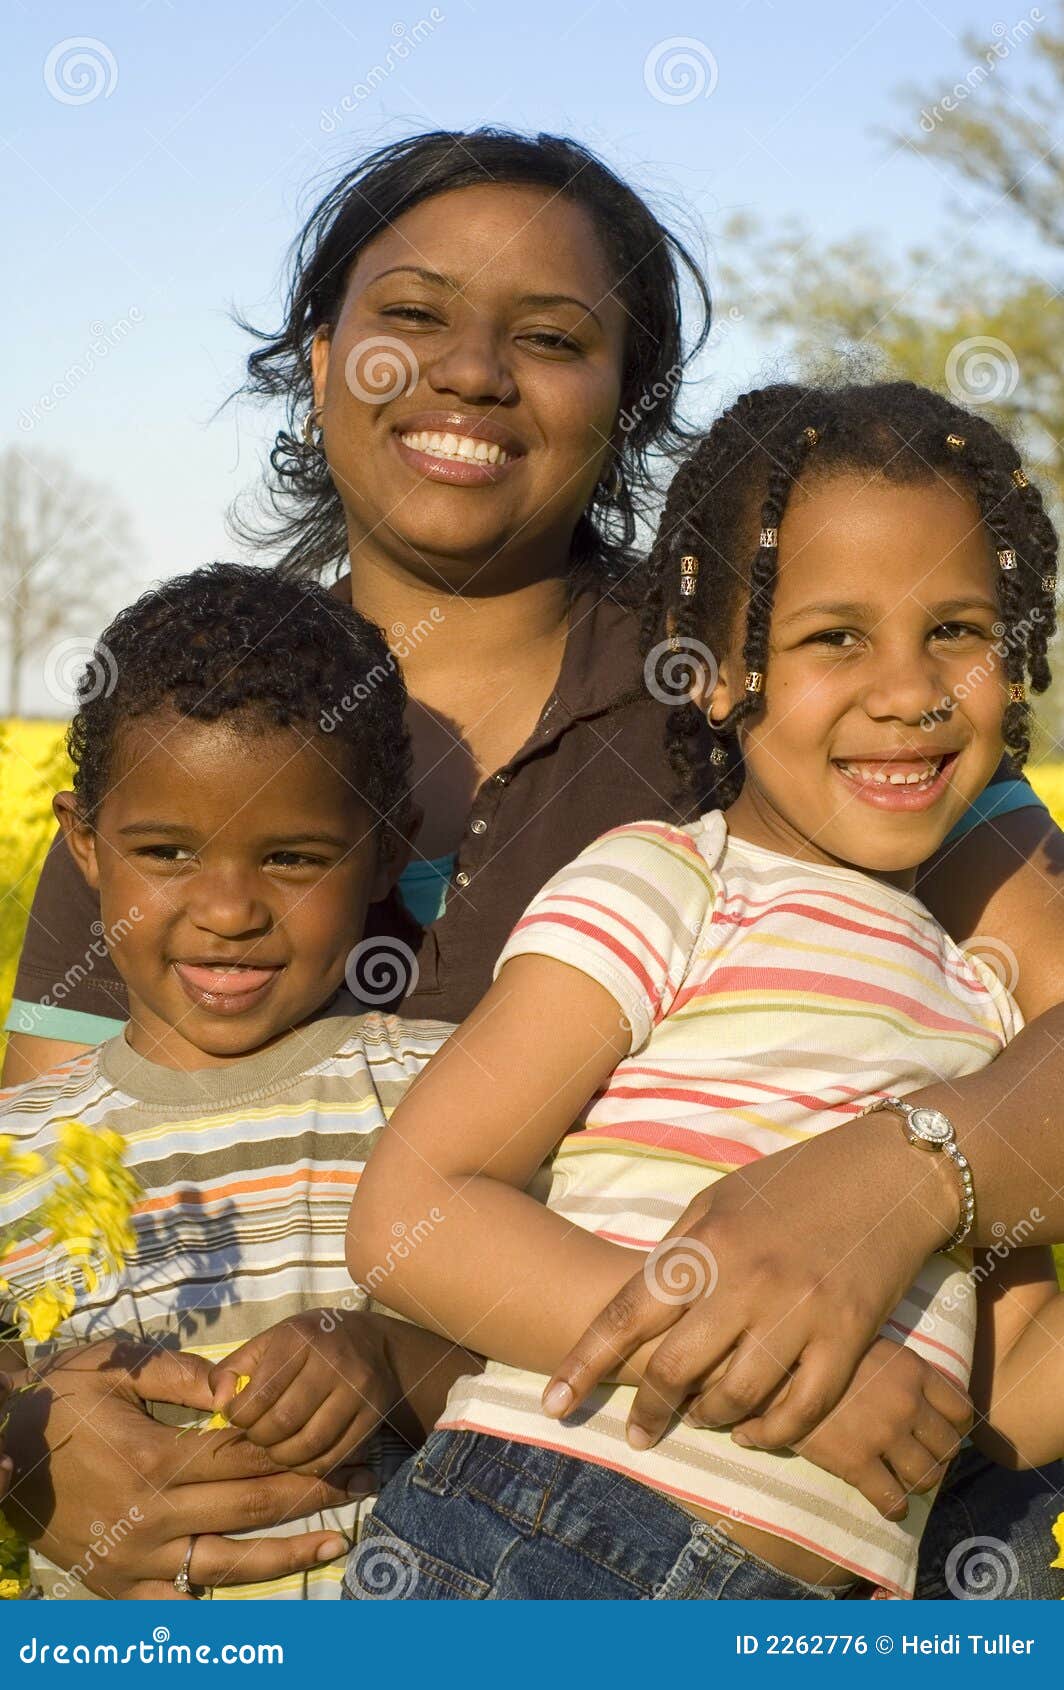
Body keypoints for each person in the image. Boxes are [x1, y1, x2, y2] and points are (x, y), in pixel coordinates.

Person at [2, 129, 1059, 1591]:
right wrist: (31, 1438)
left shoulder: (778, 682)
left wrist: (894, 1173)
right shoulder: (200, 724)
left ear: (631, 401)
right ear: (323, 360)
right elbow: (51, 1194)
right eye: (414, 316)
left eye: (553, 337)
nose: (473, 373)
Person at [342, 381, 1059, 1600]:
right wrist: (760, 1356)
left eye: (957, 630)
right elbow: (412, 1213)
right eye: (834, 636)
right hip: (544, 1533)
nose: (911, 690)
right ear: (719, 674)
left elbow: (1009, 1377)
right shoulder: (672, 881)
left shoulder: (990, 1009)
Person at [0, 564, 470, 1599]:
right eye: (166, 850)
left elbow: (539, 1369)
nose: (227, 908)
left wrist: (387, 1359)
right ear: (84, 842)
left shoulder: (442, 1097)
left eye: (293, 859)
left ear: (387, 849)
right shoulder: (16, 1149)